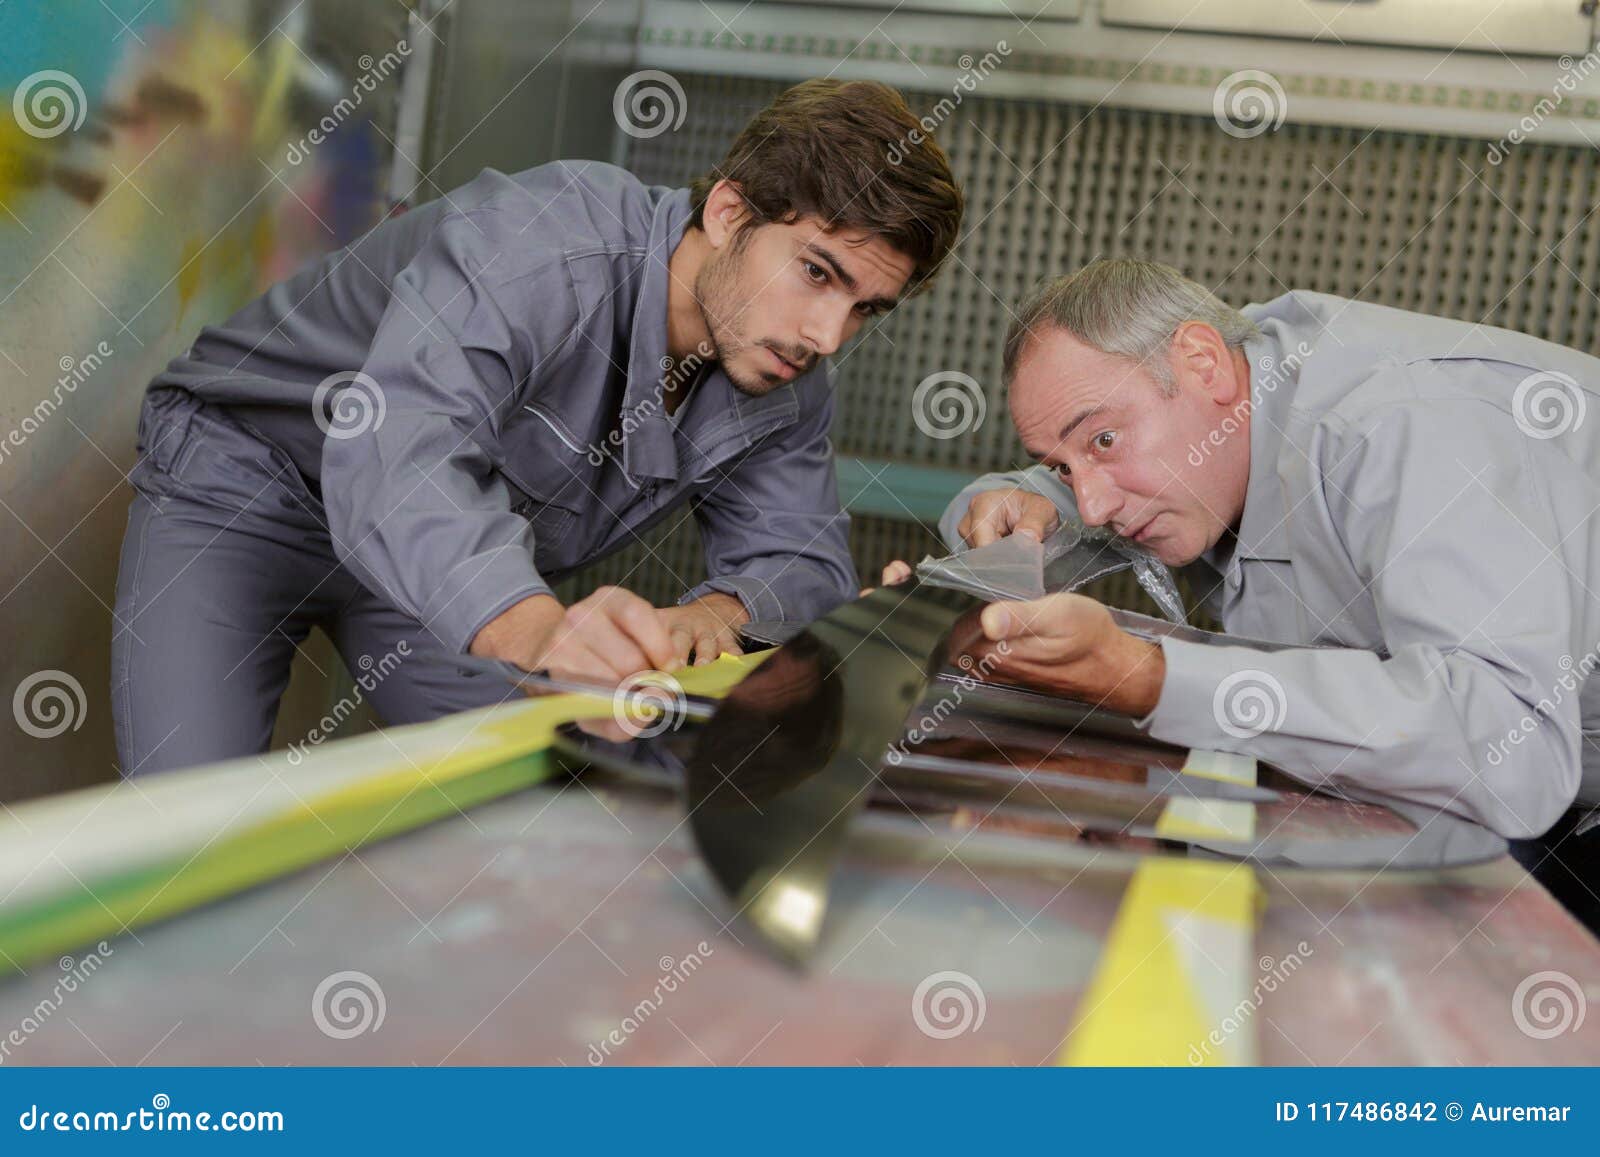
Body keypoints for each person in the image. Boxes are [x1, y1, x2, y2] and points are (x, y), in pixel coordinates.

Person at [111, 78, 964, 776]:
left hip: (451, 553)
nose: (827, 336)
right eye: (817, 272)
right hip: (249, 482)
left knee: (557, 792)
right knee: (186, 832)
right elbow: (395, 456)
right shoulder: (541, 245)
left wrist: (723, 608)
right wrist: (544, 636)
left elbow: (804, 559)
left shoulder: (783, 371)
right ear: (730, 213)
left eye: (865, 309)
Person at [929, 259, 1600, 896]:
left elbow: (1518, 754)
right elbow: (1050, 488)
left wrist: (1151, 677)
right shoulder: (1224, 381)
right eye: (1063, 466)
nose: (1095, 503)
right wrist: (1006, 508)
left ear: (1203, 363)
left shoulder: (1402, 432)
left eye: (1103, 441)